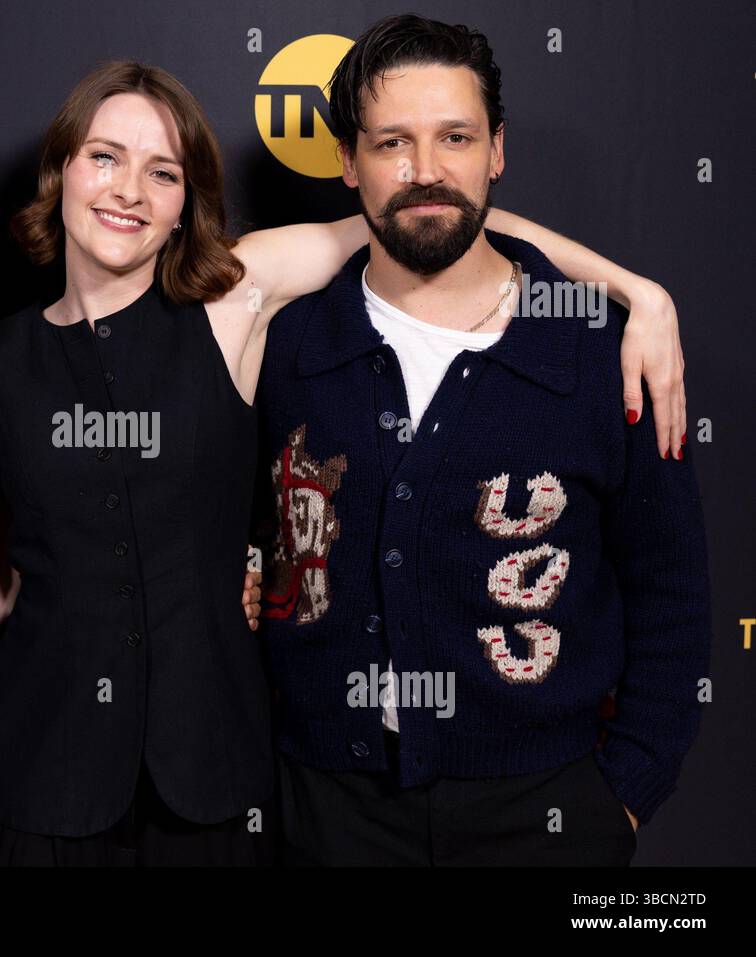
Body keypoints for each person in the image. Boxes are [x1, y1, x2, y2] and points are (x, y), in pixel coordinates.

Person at [0, 58, 688, 866]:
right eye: (104, 157)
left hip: (216, 782)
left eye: (162, 171)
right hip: (44, 773)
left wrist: (636, 291)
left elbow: (430, 216)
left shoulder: (234, 303)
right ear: (61, 169)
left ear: (185, 204)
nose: (128, 190)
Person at [256, 14, 711, 866]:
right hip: (324, 807)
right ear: (348, 162)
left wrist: (625, 796)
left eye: (455, 137)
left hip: (546, 812)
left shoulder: (602, 346)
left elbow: (671, 591)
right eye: (393, 142)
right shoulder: (285, 347)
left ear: (496, 150)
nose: (426, 171)